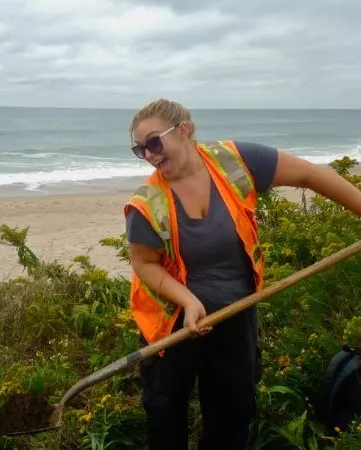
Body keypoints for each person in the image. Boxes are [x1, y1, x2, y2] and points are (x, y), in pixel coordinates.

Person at [123, 98, 361, 450]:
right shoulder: (146, 203)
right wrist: (188, 301)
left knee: (233, 416)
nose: (149, 155)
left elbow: (311, 174)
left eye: (154, 142)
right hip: (170, 326)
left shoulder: (235, 160)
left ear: (184, 130)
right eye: (140, 149)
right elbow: (144, 264)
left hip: (235, 313)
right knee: (165, 416)